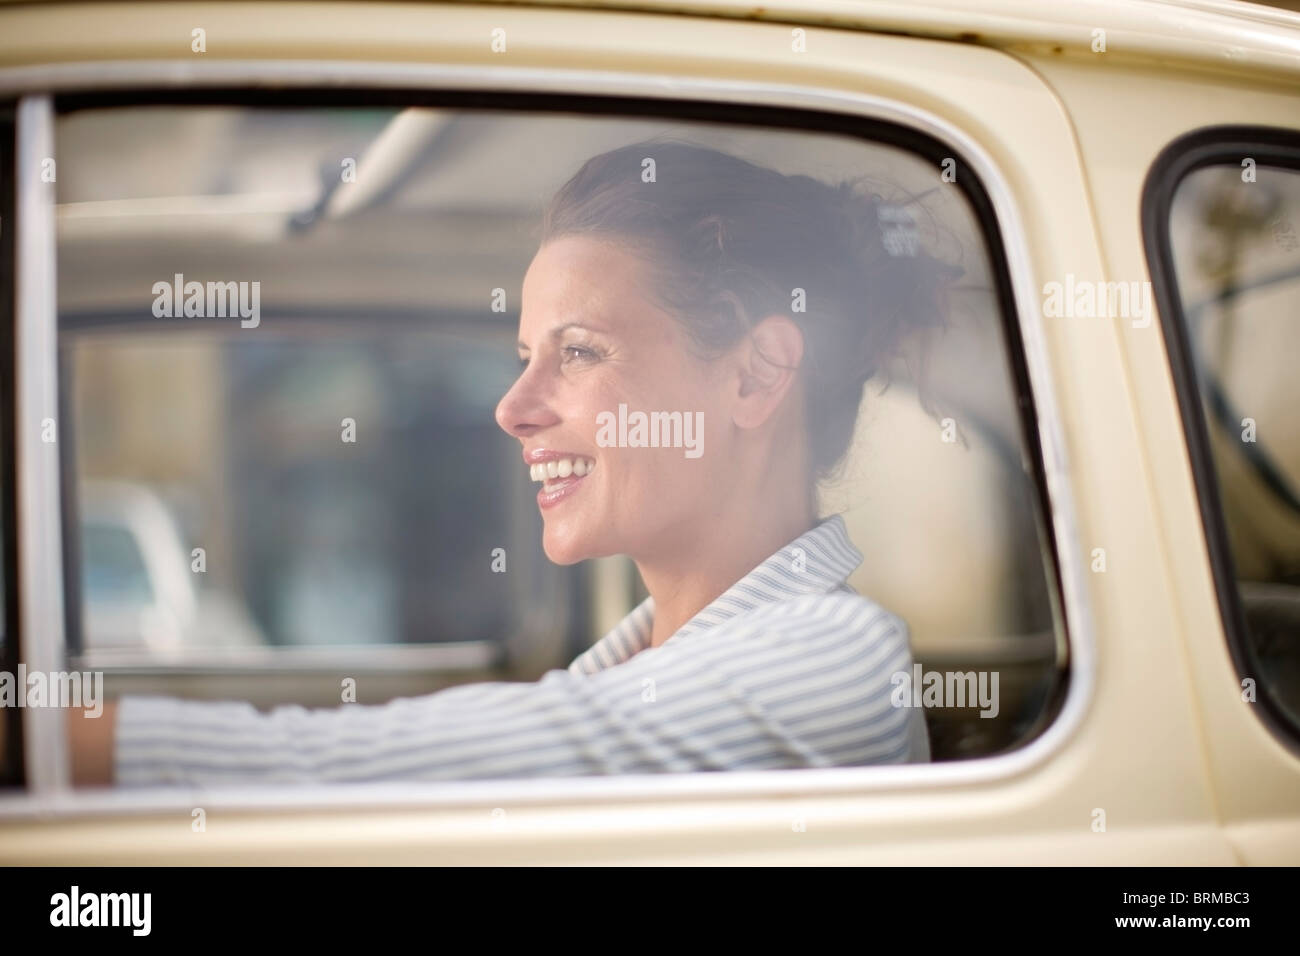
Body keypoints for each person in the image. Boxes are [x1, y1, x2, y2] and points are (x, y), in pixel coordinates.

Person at [56, 140, 953, 786]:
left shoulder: (838, 661)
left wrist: (75, 747)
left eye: (578, 352)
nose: (511, 409)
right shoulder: (643, 665)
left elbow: (424, 766)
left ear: (756, 374)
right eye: (524, 355)